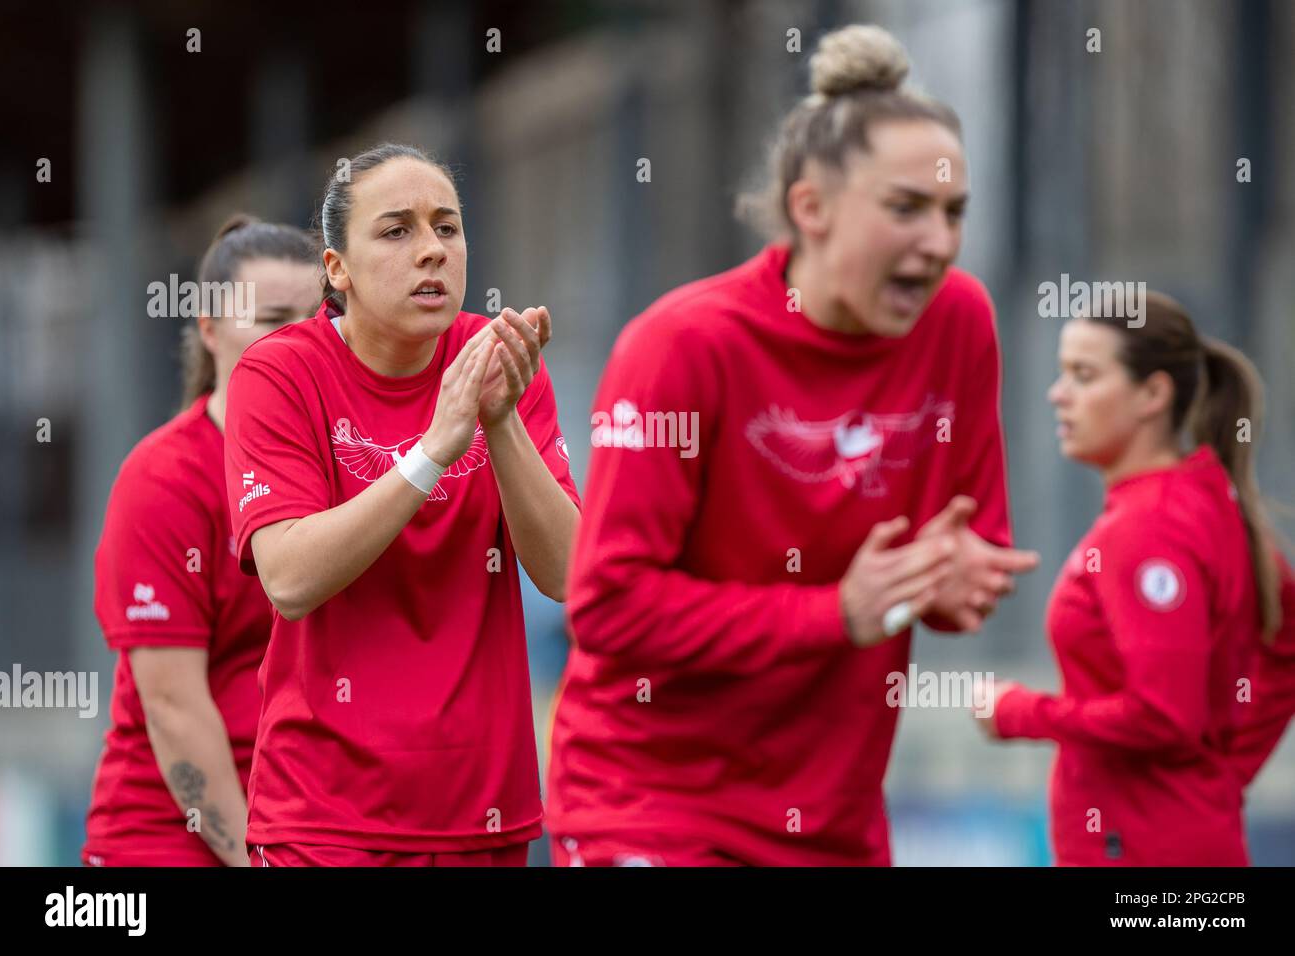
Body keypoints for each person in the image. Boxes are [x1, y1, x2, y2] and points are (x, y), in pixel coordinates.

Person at [546, 24, 1038, 867]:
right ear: (810, 208)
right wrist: (832, 612)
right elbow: (608, 605)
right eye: (906, 208)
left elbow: (970, 542)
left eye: (955, 213)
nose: (939, 242)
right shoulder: (682, 345)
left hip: (834, 820)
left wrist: (956, 574)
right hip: (650, 810)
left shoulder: (960, 321)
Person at [223, 143, 579, 867]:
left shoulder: (498, 360)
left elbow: (572, 574)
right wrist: (432, 452)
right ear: (337, 270)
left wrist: (500, 420)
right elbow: (289, 580)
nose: (431, 251)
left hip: (484, 813)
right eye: (397, 230)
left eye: (447, 228)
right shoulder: (279, 372)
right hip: (326, 821)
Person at [978, 292, 1290, 865]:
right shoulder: (1205, 498)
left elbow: (1162, 714)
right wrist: (1219, 777)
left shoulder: (1150, 525)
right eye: (1062, 373)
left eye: (1084, 375)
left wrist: (1021, 711)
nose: (1058, 394)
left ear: (1153, 394)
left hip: (1142, 853)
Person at [83, 215, 320, 866]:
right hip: (169, 845)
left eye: (317, 319)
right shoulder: (165, 477)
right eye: (273, 319)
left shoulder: (343, 467)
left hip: (306, 833)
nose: (300, 341)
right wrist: (254, 859)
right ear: (210, 330)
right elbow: (171, 706)